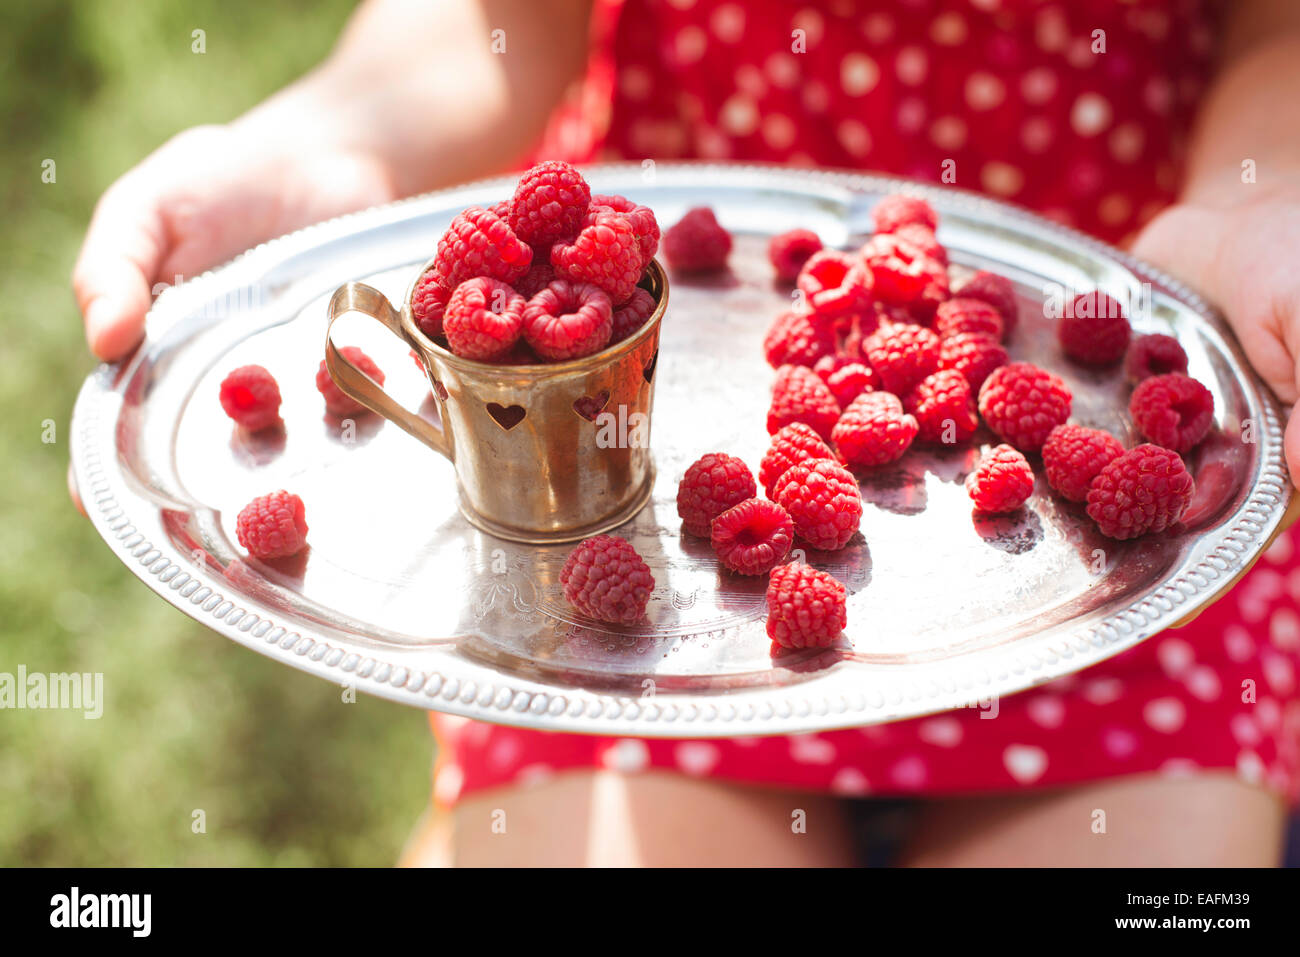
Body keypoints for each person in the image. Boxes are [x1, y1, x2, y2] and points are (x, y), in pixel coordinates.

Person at [72, 0, 1300, 866]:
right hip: (656, 525)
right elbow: (492, 21)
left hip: (1087, 456)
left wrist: (1258, 206)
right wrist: (325, 148)